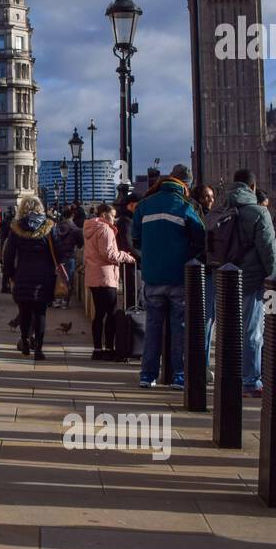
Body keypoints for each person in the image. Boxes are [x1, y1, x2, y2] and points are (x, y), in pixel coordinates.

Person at [131, 164, 205, 389]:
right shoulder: (186, 206)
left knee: (153, 327)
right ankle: (179, 376)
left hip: (152, 276)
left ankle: (147, 375)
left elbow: (135, 240)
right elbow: (201, 239)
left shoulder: (144, 206)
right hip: (178, 277)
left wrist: (151, 256)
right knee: (179, 328)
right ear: (185, 185)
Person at [224, 167, 276, 397]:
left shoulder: (222, 208)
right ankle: (251, 380)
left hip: (226, 281)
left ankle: (232, 375)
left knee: (231, 331)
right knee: (254, 332)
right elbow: (270, 252)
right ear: (253, 187)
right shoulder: (259, 212)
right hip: (255, 283)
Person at [2, 197, 68, 360]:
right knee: (40, 313)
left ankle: (25, 342)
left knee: (24, 312)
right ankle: (38, 348)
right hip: (44, 277)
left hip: (22, 275)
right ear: (40, 208)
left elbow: (8, 256)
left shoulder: (16, 228)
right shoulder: (49, 226)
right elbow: (60, 254)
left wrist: (9, 276)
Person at [83, 202, 135, 360]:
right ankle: (109, 348)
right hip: (105, 276)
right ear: (105, 215)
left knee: (99, 314)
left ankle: (97, 349)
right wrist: (126, 256)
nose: (115, 219)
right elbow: (109, 254)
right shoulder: (105, 229)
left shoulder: (90, 228)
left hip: (93, 275)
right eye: (113, 216)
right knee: (111, 313)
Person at [193, 183, 218, 374]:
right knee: (206, 320)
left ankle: (199, 364)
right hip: (204, 273)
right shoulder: (202, 217)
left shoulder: (208, 215)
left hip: (203, 271)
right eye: (206, 197)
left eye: (212, 197)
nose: (210, 200)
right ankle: (201, 366)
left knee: (207, 320)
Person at [51, 207, 83, 309]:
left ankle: (56, 300)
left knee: (57, 278)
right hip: (69, 256)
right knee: (68, 279)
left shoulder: (55, 228)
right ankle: (65, 301)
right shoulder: (76, 229)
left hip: (57, 257)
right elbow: (80, 244)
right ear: (72, 216)